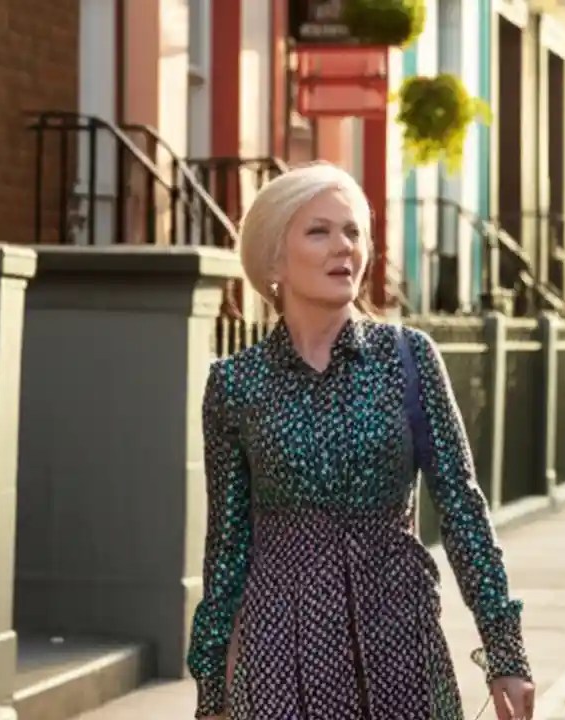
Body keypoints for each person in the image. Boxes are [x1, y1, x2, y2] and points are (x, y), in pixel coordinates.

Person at [187, 162, 535, 720]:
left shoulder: (409, 359)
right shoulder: (235, 384)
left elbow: (463, 507)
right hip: (279, 650)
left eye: (353, 231)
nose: (342, 247)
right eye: (319, 231)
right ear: (274, 257)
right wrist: (212, 692)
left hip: (398, 637)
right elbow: (226, 550)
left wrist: (505, 651)